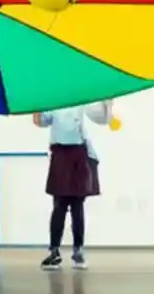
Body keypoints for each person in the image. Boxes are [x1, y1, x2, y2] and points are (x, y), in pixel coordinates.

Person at [33, 100, 112, 271]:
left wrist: (108, 102)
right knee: (59, 206)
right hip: (60, 154)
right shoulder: (54, 102)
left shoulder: (81, 100)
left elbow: (102, 118)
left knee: (77, 206)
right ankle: (54, 251)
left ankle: (78, 250)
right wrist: (35, 103)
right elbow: (40, 122)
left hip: (78, 154)